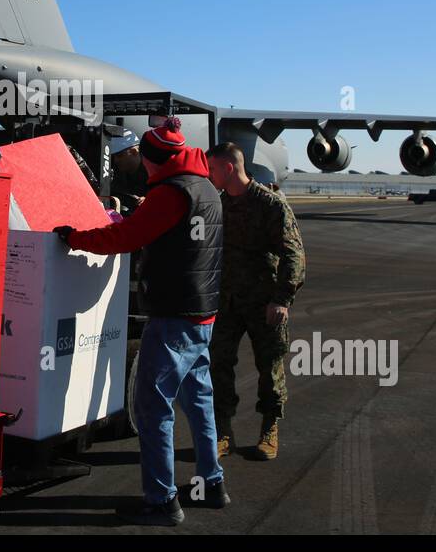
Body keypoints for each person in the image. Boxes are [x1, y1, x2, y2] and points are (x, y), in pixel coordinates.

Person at [55, 117, 226, 525]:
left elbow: (125, 239)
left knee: (153, 409)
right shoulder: (205, 186)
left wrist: (74, 238)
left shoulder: (170, 192)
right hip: (204, 314)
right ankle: (212, 482)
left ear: (153, 161)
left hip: (174, 317)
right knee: (199, 401)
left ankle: (161, 501)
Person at [205, 142, 305, 461]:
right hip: (227, 301)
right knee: (219, 365)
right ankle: (223, 431)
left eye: (212, 168)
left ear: (229, 169)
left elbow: (294, 255)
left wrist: (281, 298)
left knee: (270, 368)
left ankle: (269, 429)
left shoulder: (270, 205)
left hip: (264, 302)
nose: (209, 174)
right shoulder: (219, 205)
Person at [108, 128, 148, 217]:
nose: (116, 161)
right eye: (113, 157)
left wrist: (150, 200)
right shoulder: (116, 171)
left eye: (119, 156)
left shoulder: (152, 171)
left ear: (134, 152)